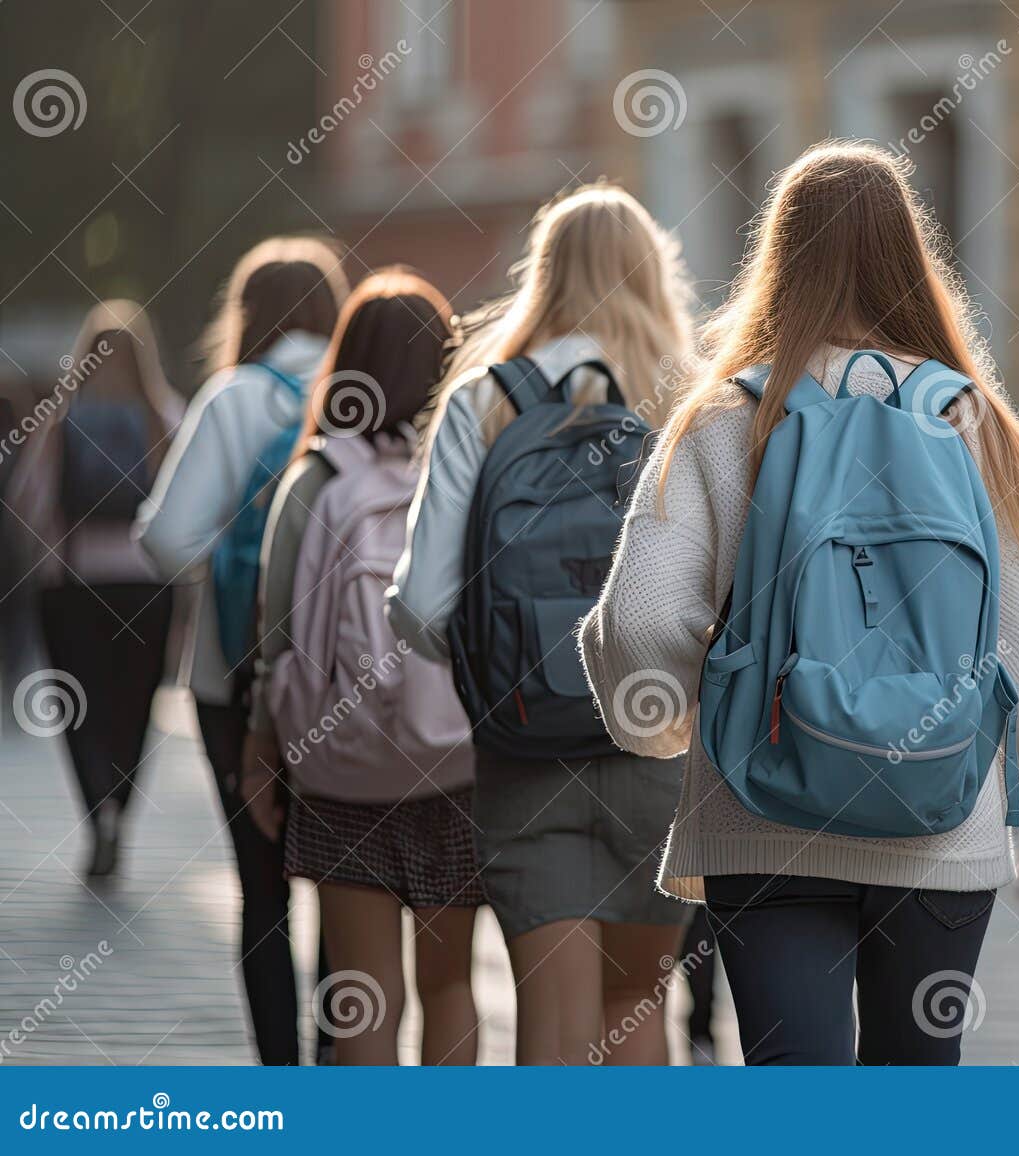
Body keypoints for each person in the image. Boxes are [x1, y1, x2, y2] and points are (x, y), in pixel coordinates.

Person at [579, 142, 1019, 1066]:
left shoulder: (721, 419)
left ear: (778, 262)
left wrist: (685, 719)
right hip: (941, 814)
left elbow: (636, 620)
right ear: (912, 259)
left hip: (764, 813)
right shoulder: (975, 422)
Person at [388, 184, 695, 1066]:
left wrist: (503, 657)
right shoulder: (687, 399)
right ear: (651, 274)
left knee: (551, 1031)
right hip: (660, 746)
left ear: (543, 276)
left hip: (526, 750)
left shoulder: (484, 398)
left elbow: (422, 604)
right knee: (640, 1006)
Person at [247, 268, 481, 1065]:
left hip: (340, 769)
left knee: (362, 994)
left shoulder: (316, 477)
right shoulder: (465, 468)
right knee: (449, 988)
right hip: (454, 761)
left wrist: (260, 751)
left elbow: (274, 630)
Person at [136, 236, 349, 1065]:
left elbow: (165, 541)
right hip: (350, 685)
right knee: (348, 890)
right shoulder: (366, 385)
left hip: (234, 679)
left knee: (262, 893)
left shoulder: (231, 398)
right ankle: (346, 1068)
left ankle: (279, 1082)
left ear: (248, 314)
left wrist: (240, 563)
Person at [7, 301, 183, 875]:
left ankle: (97, 809)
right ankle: (120, 806)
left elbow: (27, 506)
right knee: (134, 709)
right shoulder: (164, 416)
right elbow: (188, 509)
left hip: (73, 584)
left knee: (79, 708)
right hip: (147, 587)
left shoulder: (60, 419)